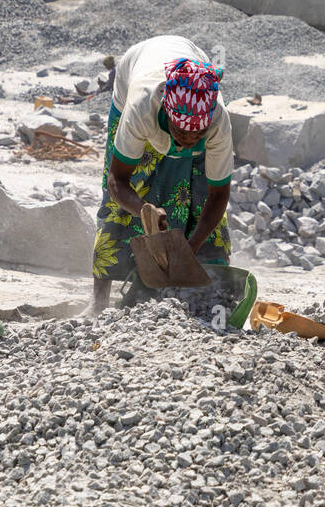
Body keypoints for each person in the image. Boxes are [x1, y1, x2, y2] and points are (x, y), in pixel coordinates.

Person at [89, 37, 233, 312]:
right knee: (125, 197)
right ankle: (98, 301)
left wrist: (191, 247)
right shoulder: (141, 108)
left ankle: (209, 292)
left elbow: (218, 192)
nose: (189, 141)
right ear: (167, 112)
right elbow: (117, 180)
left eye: (197, 134)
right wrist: (144, 209)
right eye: (181, 132)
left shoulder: (216, 120)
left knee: (199, 193)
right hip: (136, 70)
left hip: (191, 69)